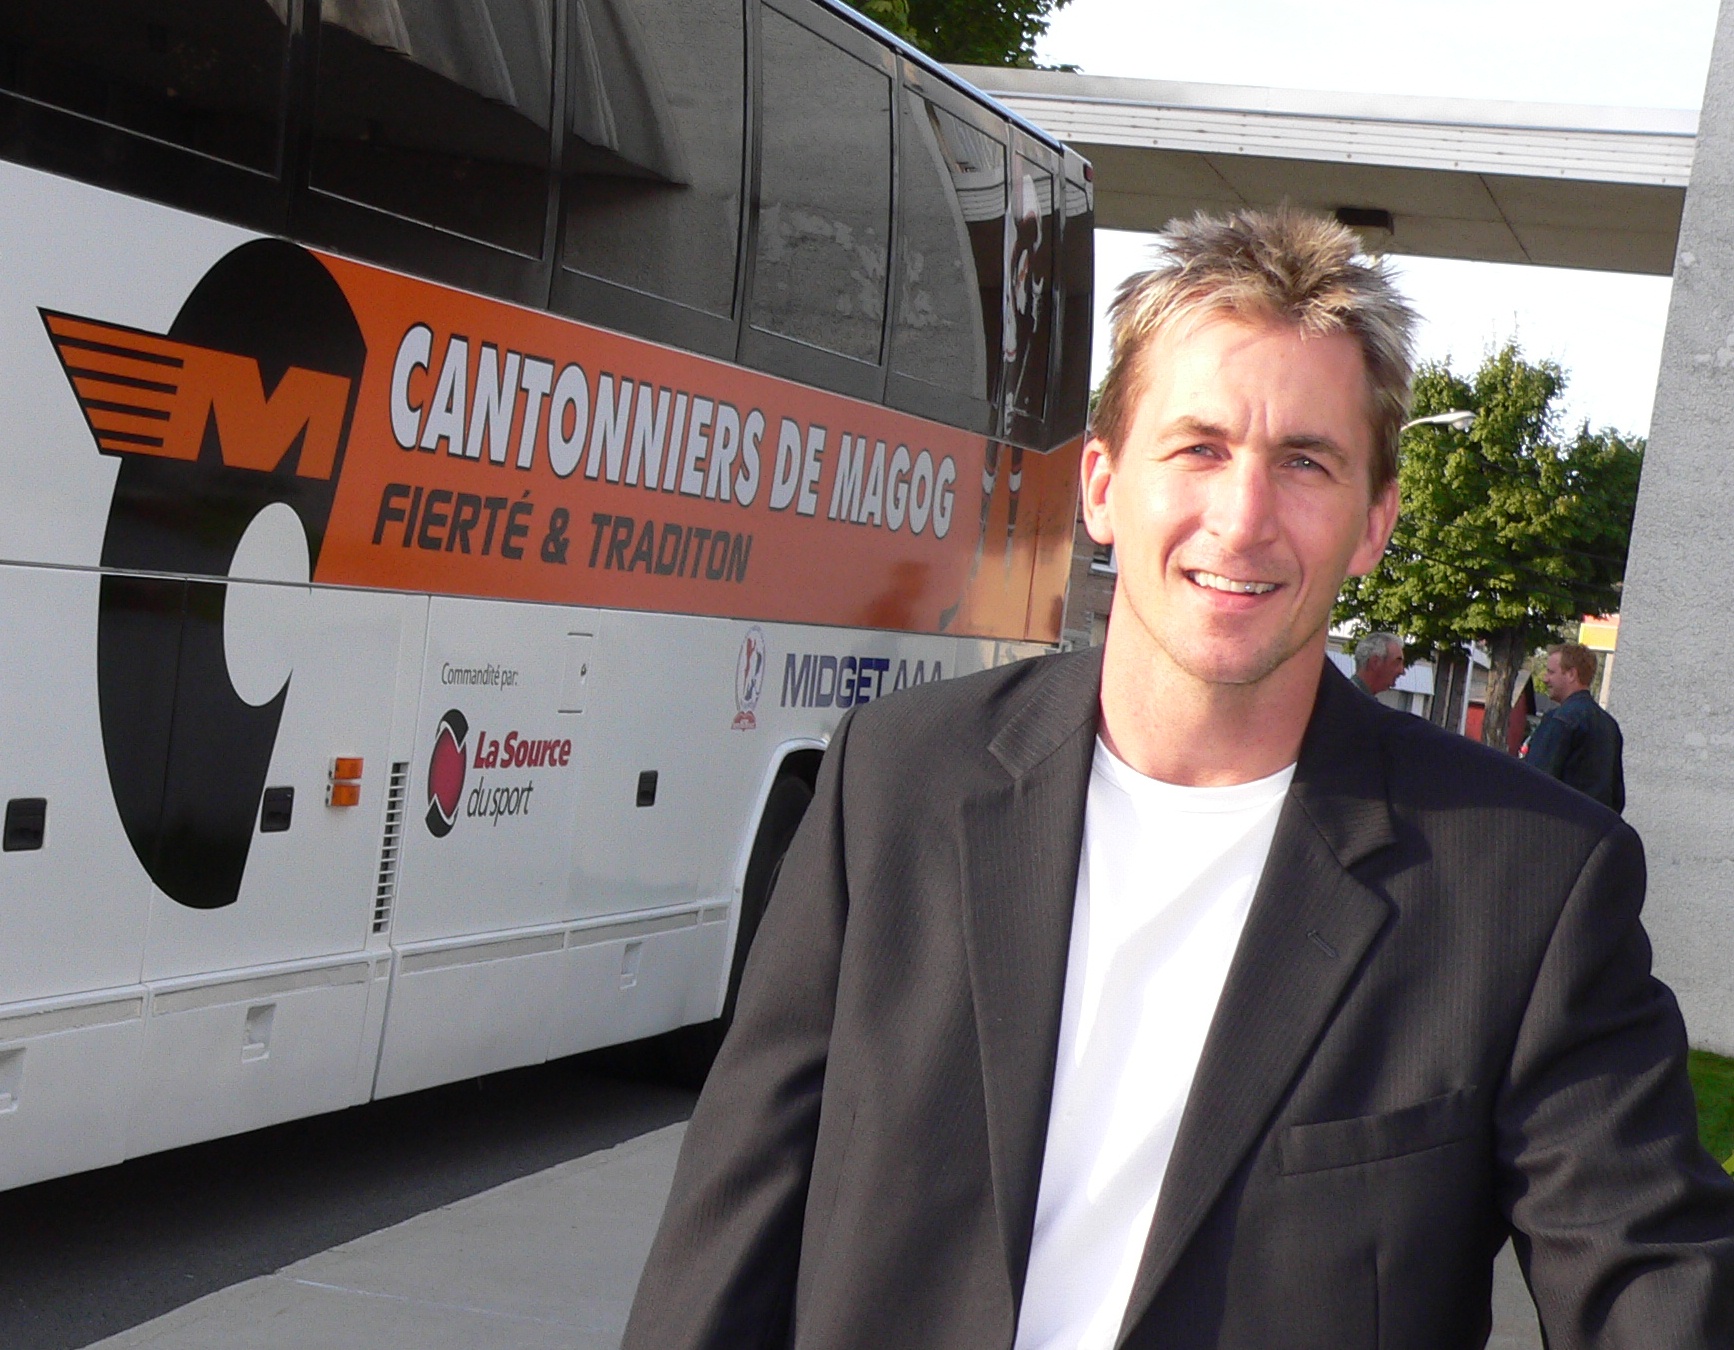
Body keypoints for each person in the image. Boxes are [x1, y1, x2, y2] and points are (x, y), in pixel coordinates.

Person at [622, 209, 1734, 1350]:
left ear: (1374, 524)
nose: (1243, 520)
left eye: (1305, 462)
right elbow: (726, 1243)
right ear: (1102, 486)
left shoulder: (1527, 882)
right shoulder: (894, 787)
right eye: (1199, 447)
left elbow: (1653, 1281)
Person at [1525, 641, 1626, 812]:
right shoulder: (1610, 726)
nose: (1545, 679)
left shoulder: (1559, 720)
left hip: (1557, 821)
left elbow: (1535, 780)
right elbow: (1617, 797)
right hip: (1594, 824)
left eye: (1551, 672)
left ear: (1571, 674)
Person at [1350, 630, 1404, 696]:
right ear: (1375, 662)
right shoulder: (1351, 698)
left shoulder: (1352, 694)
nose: (1402, 671)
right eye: (1396, 663)